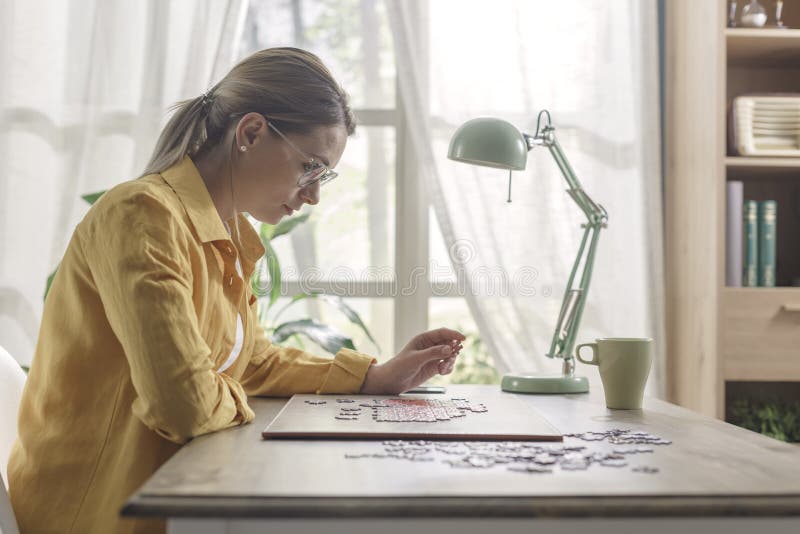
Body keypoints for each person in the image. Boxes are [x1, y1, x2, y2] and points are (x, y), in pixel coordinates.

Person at [8, 47, 464, 534]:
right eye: (310, 167)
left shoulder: (226, 235)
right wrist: (229, 392)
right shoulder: (141, 215)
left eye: (323, 176)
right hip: (96, 515)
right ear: (250, 133)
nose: (313, 195)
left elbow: (251, 363)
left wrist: (375, 378)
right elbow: (184, 406)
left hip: (169, 497)